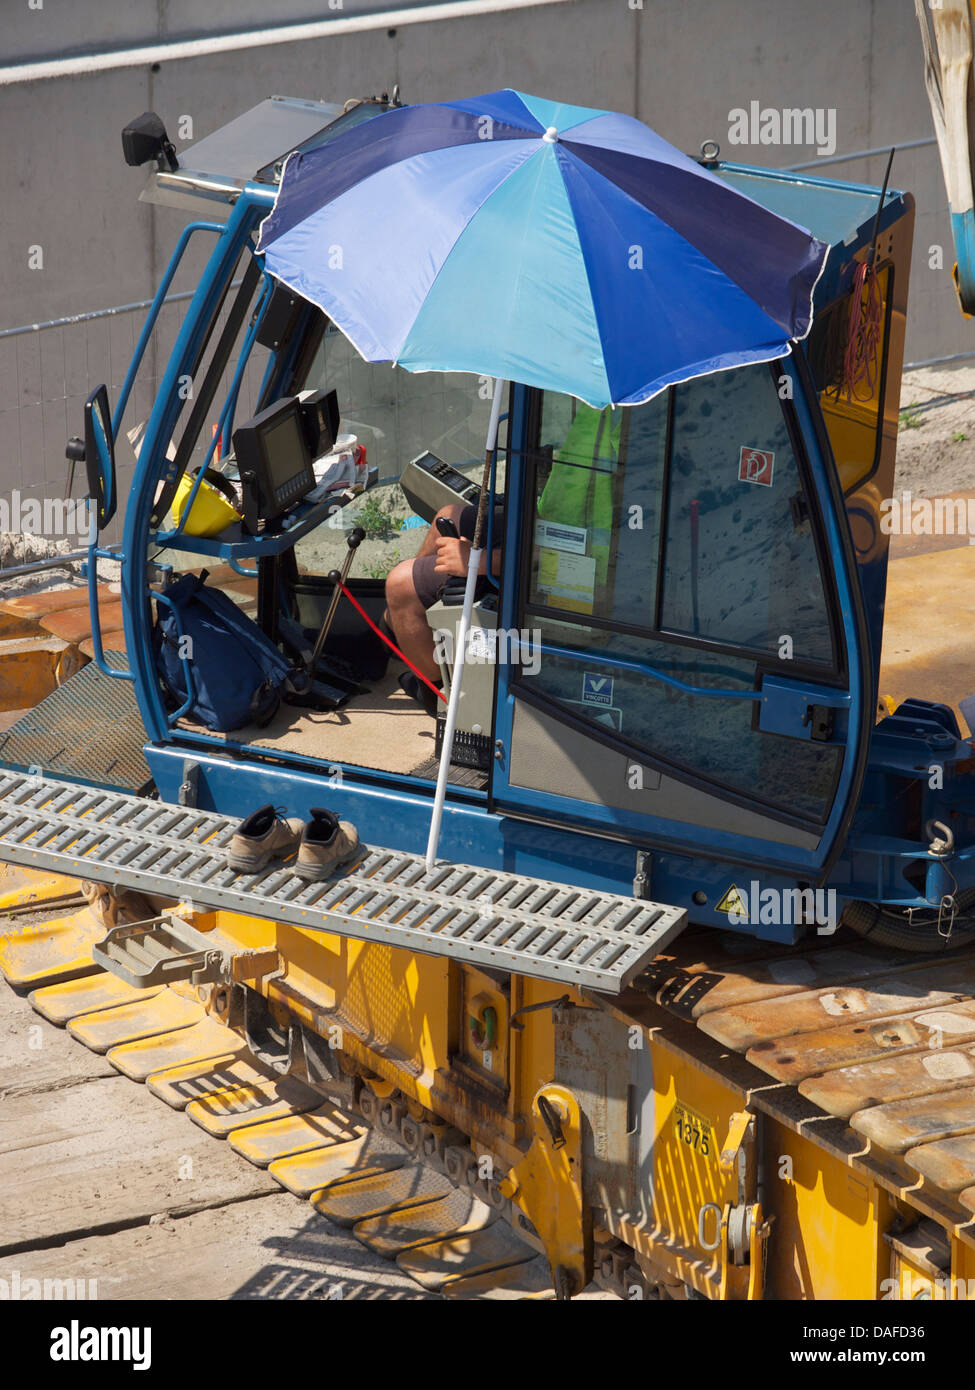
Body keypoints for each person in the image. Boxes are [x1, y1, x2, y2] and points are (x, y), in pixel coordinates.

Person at [384, 500, 502, 714]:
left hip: (534, 564)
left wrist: (481, 560)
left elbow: (551, 554)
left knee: (400, 584)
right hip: (530, 535)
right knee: (449, 515)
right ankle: (401, 628)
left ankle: (437, 696)